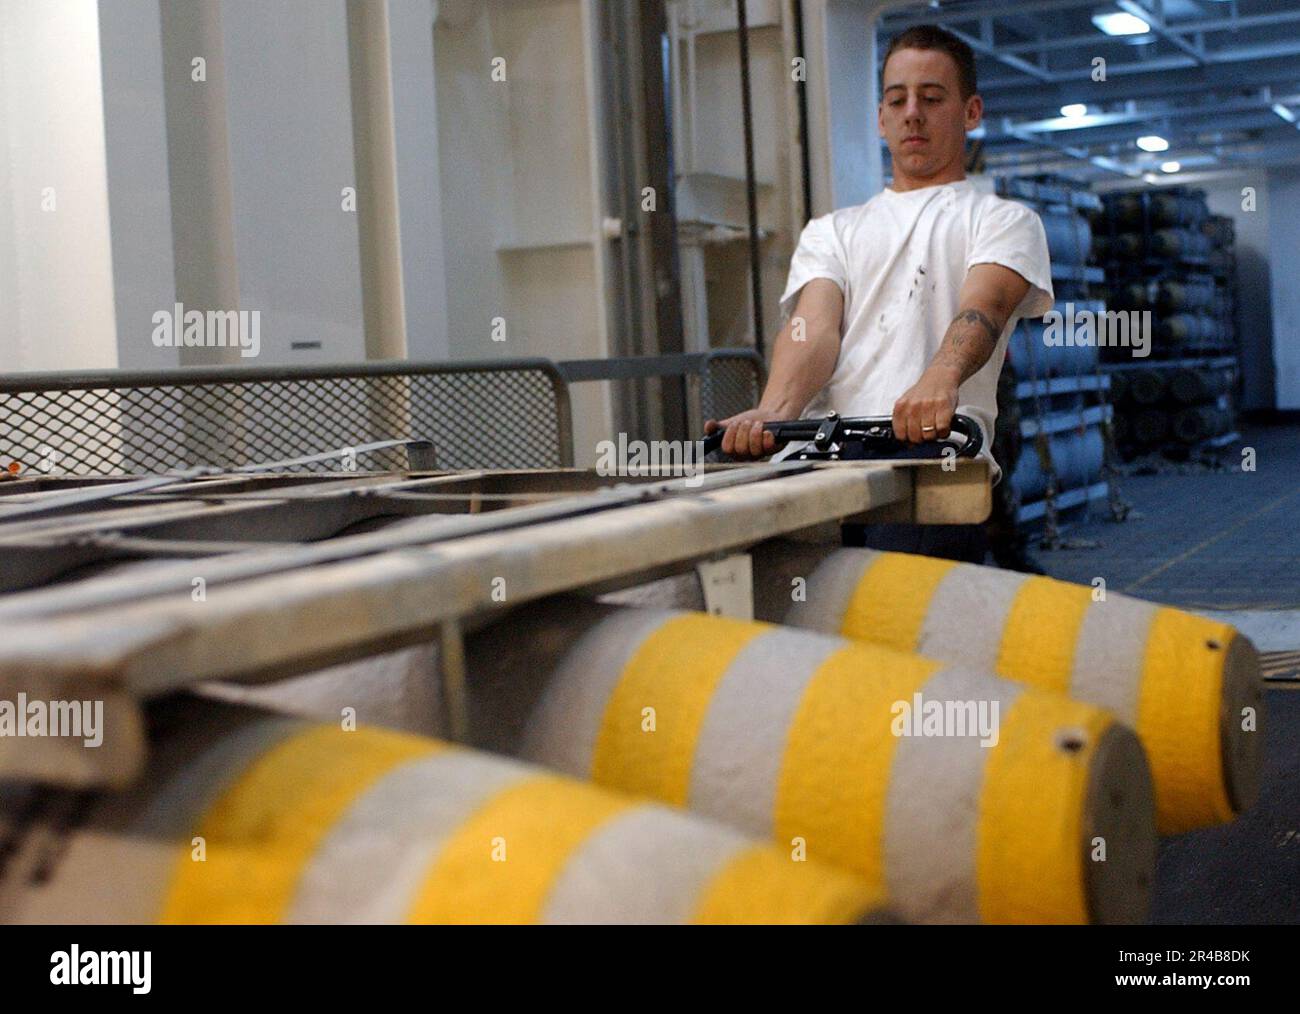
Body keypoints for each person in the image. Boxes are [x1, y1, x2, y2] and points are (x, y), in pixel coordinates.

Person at [704, 25, 1053, 563]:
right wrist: (774, 412)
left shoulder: (1002, 220)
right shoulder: (833, 230)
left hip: (930, 465)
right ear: (881, 118)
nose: (913, 112)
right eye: (897, 99)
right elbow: (814, 327)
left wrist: (939, 378)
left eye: (932, 98)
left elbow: (984, 307)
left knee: (906, 626)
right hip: (827, 461)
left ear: (971, 112)